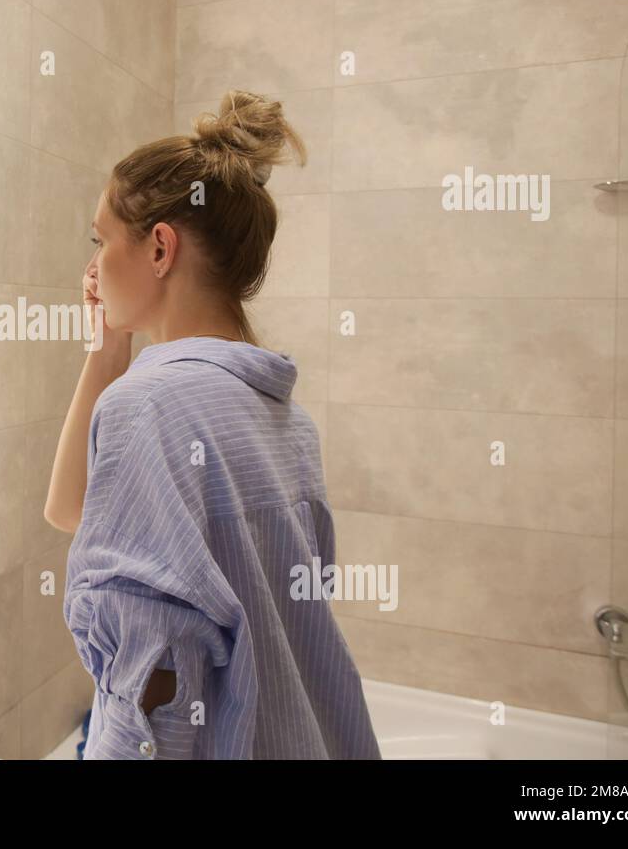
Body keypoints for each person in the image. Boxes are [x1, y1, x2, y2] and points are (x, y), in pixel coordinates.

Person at [45, 90, 381, 760]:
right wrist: (109, 350)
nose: (91, 267)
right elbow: (75, 509)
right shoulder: (282, 412)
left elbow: (154, 690)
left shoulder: (151, 404)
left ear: (160, 248)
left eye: (101, 240)